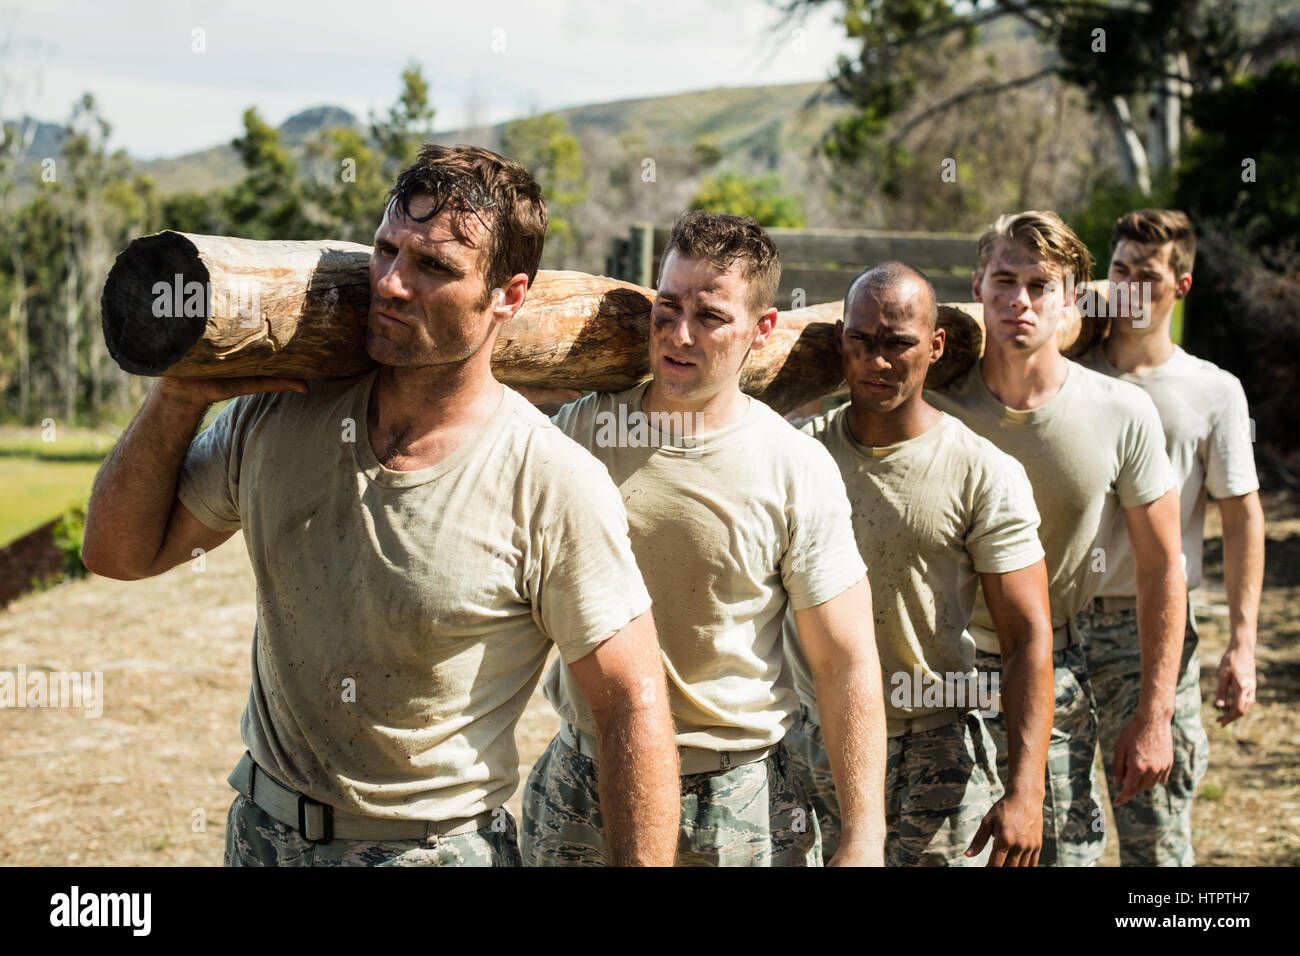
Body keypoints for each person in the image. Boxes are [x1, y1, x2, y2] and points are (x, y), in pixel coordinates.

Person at [81, 144, 680, 867]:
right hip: (264, 834)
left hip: (435, 852)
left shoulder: (551, 481)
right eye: (387, 250)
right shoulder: (279, 415)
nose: (392, 285)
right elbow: (118, 554)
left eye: (435, 268)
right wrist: (176, 396)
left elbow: (631, 704)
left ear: (510, 296)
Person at [521, 211, 887, 866]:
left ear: (762, 329)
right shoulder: (582, 431)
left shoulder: (794, 469)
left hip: (732, 802)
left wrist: (864, 834)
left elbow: (845, 661)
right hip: (584, 784)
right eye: (667, 306)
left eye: (711, 317)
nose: (679, 334)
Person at [926, 210, 1185, 866]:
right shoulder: (927, 401)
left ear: (1073, 299)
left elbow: (1162, 568)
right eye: (1004, 280)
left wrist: (1155, 716)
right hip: (934, 682)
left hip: (1053, 679)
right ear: (978, 284)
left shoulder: (1121, 413)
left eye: (1040, 285)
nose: (1019, 300)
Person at [784, 261, 1054, 866]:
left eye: (898, 344)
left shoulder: (983, 472)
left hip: (933, 748)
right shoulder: (797, 458)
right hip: (812, 745)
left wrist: (1025, 789)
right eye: (861, 340)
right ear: (839, 341)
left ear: (934, 347)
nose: (877, 361)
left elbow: (1027, 638)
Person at [1077, 208, 1263, 865]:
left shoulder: (1214, 392)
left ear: (1180, 286)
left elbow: (1242, 518)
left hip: (1150, 631)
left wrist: (1242, 643)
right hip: (1056, 627)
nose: (1128, 287)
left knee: (1155, 843)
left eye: (1147, 275)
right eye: (1118, 270)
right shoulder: (1065, 375)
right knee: (1050, 840)